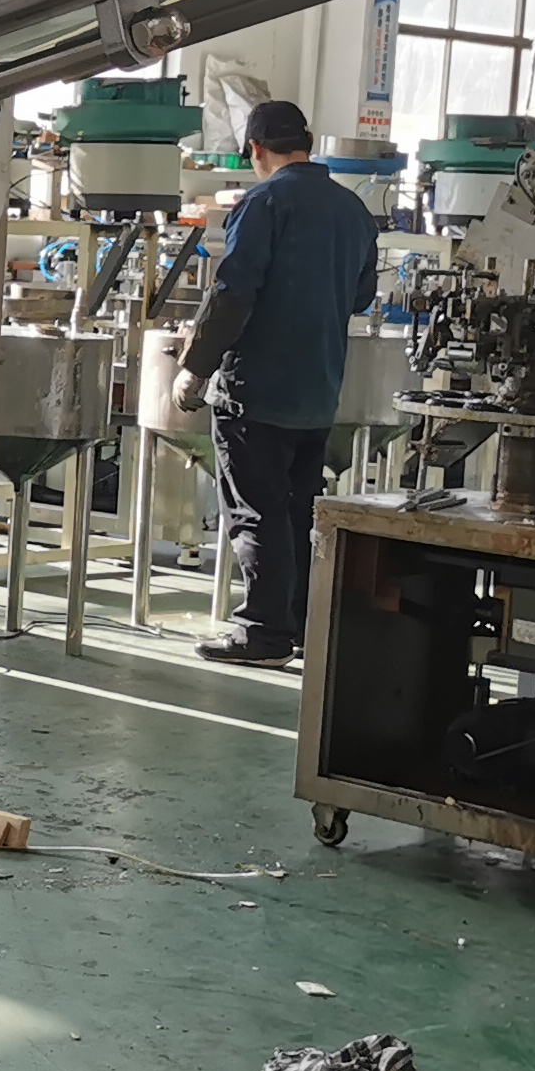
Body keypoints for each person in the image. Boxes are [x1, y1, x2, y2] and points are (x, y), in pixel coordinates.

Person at [177, 99, 378, 666]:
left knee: (256, 512)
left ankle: (263, 634)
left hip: (258, 391)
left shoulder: (264, 203)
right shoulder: (353, 210)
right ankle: (301, 625)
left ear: (256, 149)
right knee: (297, 513)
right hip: (318, 392)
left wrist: (195, 366)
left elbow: (233, 292)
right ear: (307, 145)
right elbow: (362, 297)